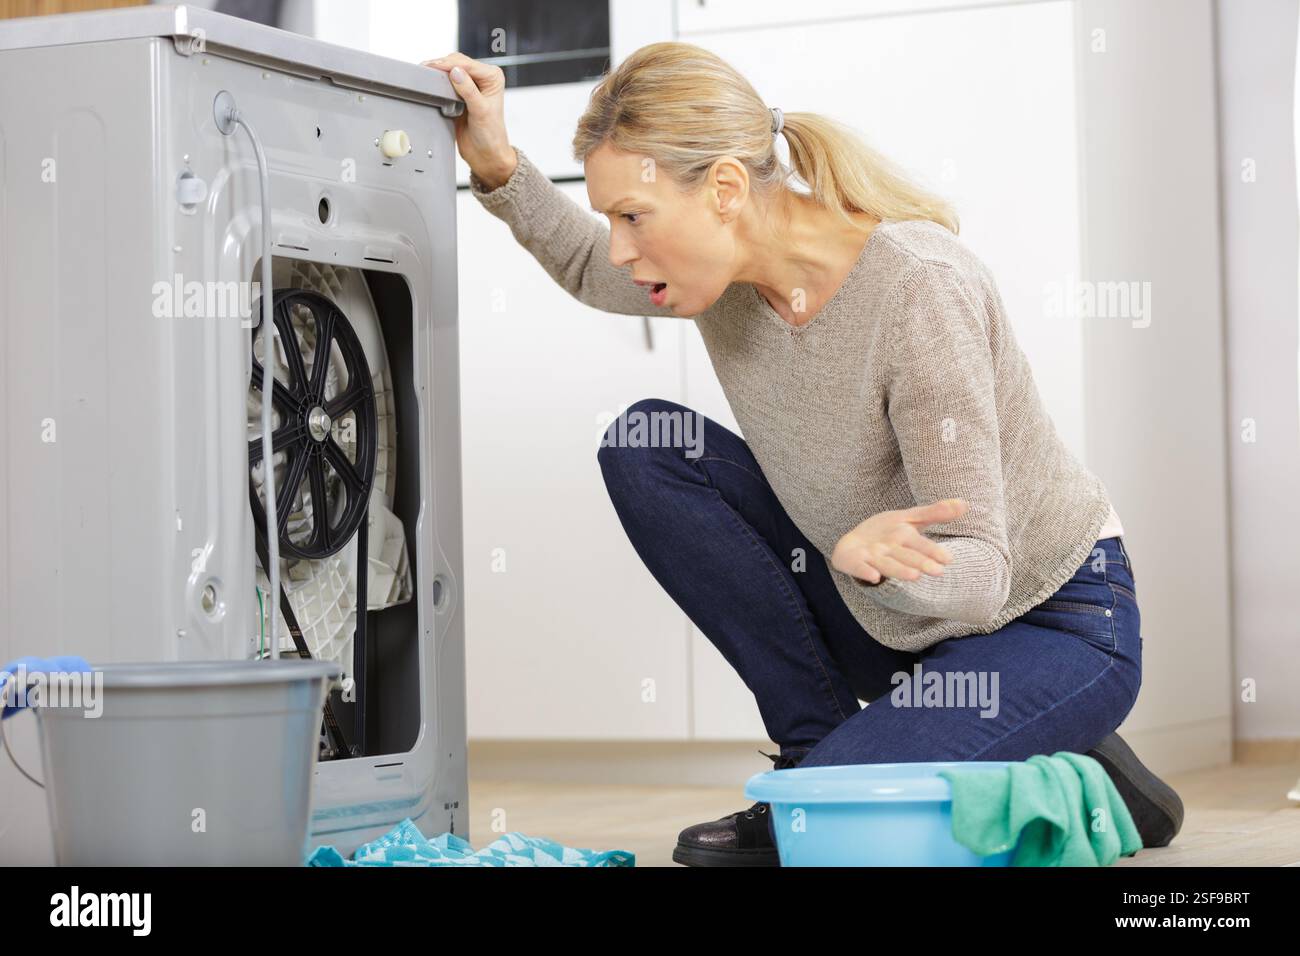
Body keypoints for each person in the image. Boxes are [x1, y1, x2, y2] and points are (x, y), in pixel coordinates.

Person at [422, 41, 1183, 866]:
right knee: (644, 445)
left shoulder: (918, 289)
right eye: (612, 219)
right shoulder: (720, 275)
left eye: (632, 217)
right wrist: (496, 162)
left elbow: (980, 577)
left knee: (831, 822)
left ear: (722, 189)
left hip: (1053, 618)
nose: (618, 249)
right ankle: (813, 754)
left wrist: (868, 561)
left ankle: (1077, 764)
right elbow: (577, 261)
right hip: (890, 618)